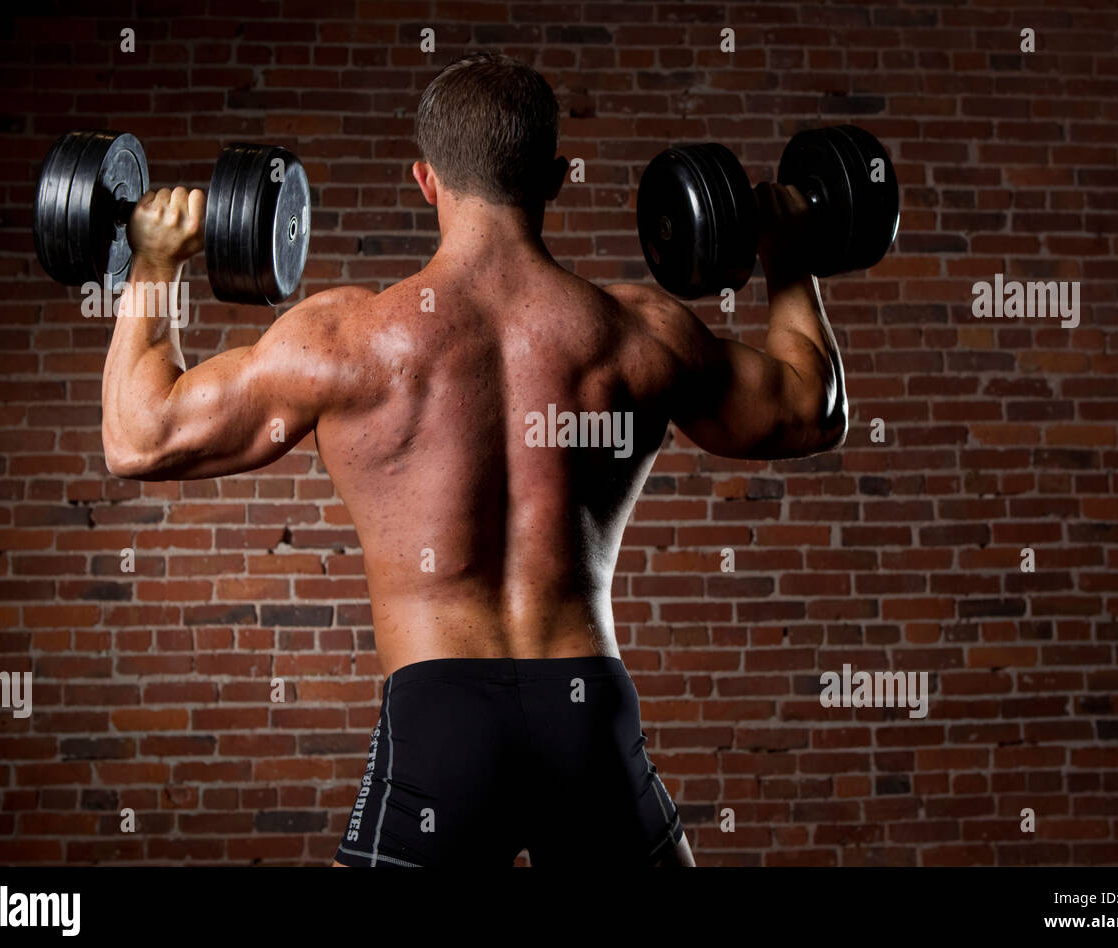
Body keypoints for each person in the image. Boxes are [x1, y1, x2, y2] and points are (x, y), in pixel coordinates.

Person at [101, 52, 846, 867]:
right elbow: (811, 411)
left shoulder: (349, 341)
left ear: (425, 180)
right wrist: (786, 253)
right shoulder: (640, 334)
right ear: (557, 177)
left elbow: (140, 437)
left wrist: (156, 261)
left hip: (441, 722)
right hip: (583, 712)